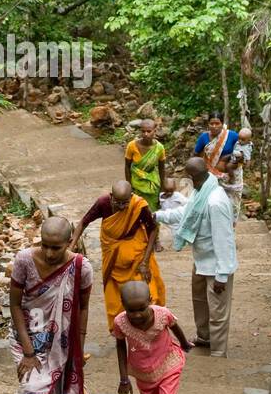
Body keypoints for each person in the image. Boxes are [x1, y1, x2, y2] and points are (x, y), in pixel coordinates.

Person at [6, 216, 107, 394]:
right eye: (45, 245)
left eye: (56, 247)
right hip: (27, 335)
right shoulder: (24, 261)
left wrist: (79, 346)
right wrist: (29, 352)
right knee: (32, 389)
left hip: (62, 340)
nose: (50, 253)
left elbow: (83, 308)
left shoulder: (81, 268)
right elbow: (15, 304)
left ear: (69, 241)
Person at [155, 156, 238, 358]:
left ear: (192, 177)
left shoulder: (215, 202)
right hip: (201, 260)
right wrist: (157, 215)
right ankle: (205, 338)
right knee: (200, 302)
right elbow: (186, 212)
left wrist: (222, 275)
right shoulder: (201, 191)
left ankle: (218, 352)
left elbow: (224, 239)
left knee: (218, 312)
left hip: (217, 266)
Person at [71, 180, 165, 334]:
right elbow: (83, 222)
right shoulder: (103, 203)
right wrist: (71, 246)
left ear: (131, 197)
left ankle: (151, 326)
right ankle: (121, 329)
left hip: (137, 256)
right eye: (118, 202)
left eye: (125, 203)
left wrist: (145, 262)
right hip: (113, 258)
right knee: (115, 298)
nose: (122, 207)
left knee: (147, 292)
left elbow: (153, 229)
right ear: (111, 196)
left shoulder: (138, 205)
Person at [124, 118, 167, 212]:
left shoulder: (159, 148)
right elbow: (127, 167)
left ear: (154, 131)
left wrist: (162, 189)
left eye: (149, 131)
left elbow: (162, 169)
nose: (145, 134)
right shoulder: (132, 146)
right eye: (143, 131)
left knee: (152, 214)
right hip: (136, 185)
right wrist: (129, 185)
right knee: (136, 212)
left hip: (153, 185)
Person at [194, 111, 239, 178]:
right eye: (211, 124)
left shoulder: (232, 135)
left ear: (222, 123)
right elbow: (196, 154)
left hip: (229, 175)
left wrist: (227, 157)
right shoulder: (204, 137)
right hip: (209, 174)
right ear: (208, 124)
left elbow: (242, 149)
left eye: (217, 123)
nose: (214, 126)